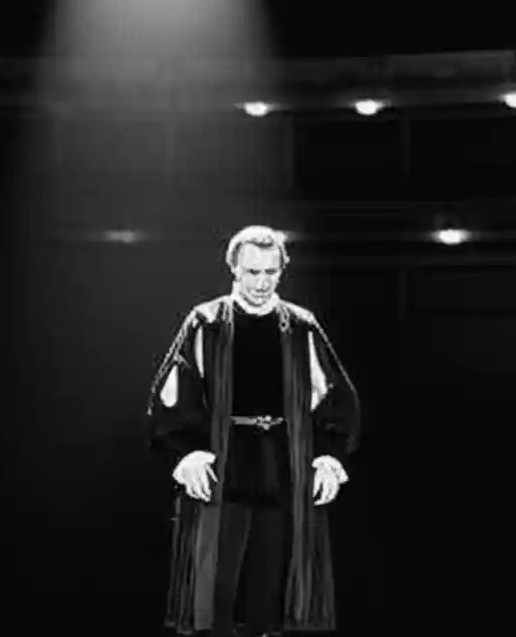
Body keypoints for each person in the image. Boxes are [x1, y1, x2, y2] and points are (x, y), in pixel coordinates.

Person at [146, 225, 361, 636]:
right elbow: (175, 393)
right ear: (234, 269)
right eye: (252, 272)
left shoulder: (300, 326)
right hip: (224, 466)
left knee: (274, 580)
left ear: (282, 270)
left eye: (270, 272)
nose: (262, 282)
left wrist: (328, 456)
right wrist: (186, 451)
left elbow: (334, 397)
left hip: (283, 465)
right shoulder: (207, 322)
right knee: (217, 582)